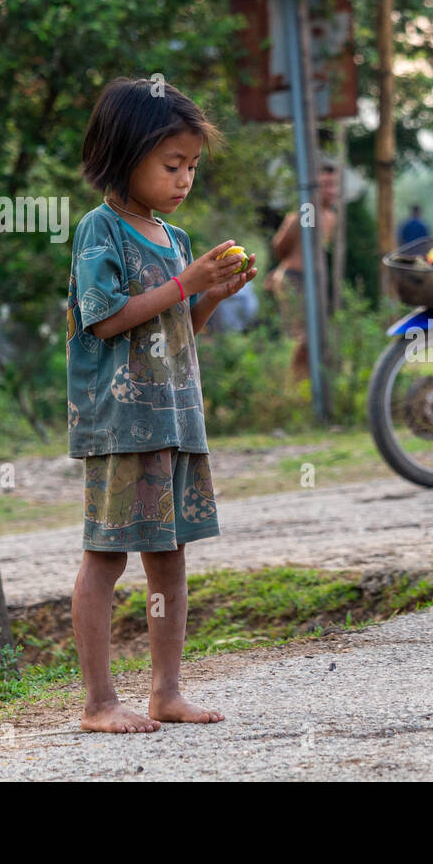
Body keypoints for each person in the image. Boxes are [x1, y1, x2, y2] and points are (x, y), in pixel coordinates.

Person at [66, 77, 257, 733]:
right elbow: (108, 320)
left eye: (192, 168)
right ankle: (97, 702)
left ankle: (166, 691)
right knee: (107, 556)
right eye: (172, 166)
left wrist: (211, 295)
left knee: (170, 557)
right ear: (124, 156)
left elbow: (179, 328)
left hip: (173, 419)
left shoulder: (171, 237)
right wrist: (185, 283)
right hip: (121, 424)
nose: (184, 180)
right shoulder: (102, 231)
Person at [264, 157, 339, 380]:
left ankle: (306, 383)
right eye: (325, 185)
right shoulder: (307, 212)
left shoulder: (331, 216)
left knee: (316, 333)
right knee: (301, 335)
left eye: (334, 185)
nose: (331, 191)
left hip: (312, 281)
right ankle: (291, 384)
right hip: (293, 278)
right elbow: (279, 245)